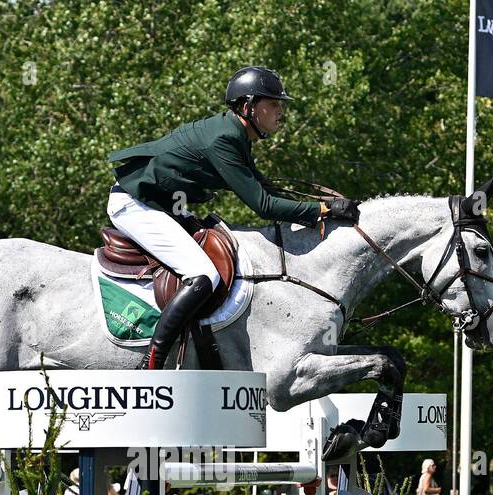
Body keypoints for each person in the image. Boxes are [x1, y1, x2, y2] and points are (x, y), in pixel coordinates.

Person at [107, 66, 361, 371]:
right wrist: (323, 211)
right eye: (274, 104)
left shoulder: (237, 134)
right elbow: (263, 204)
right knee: (203, 274)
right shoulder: (225, 138)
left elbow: (263, 185)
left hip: (161, 204)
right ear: (248, 106)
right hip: (136, 204)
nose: (281, 112)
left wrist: (322, 203)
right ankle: (154, 362)